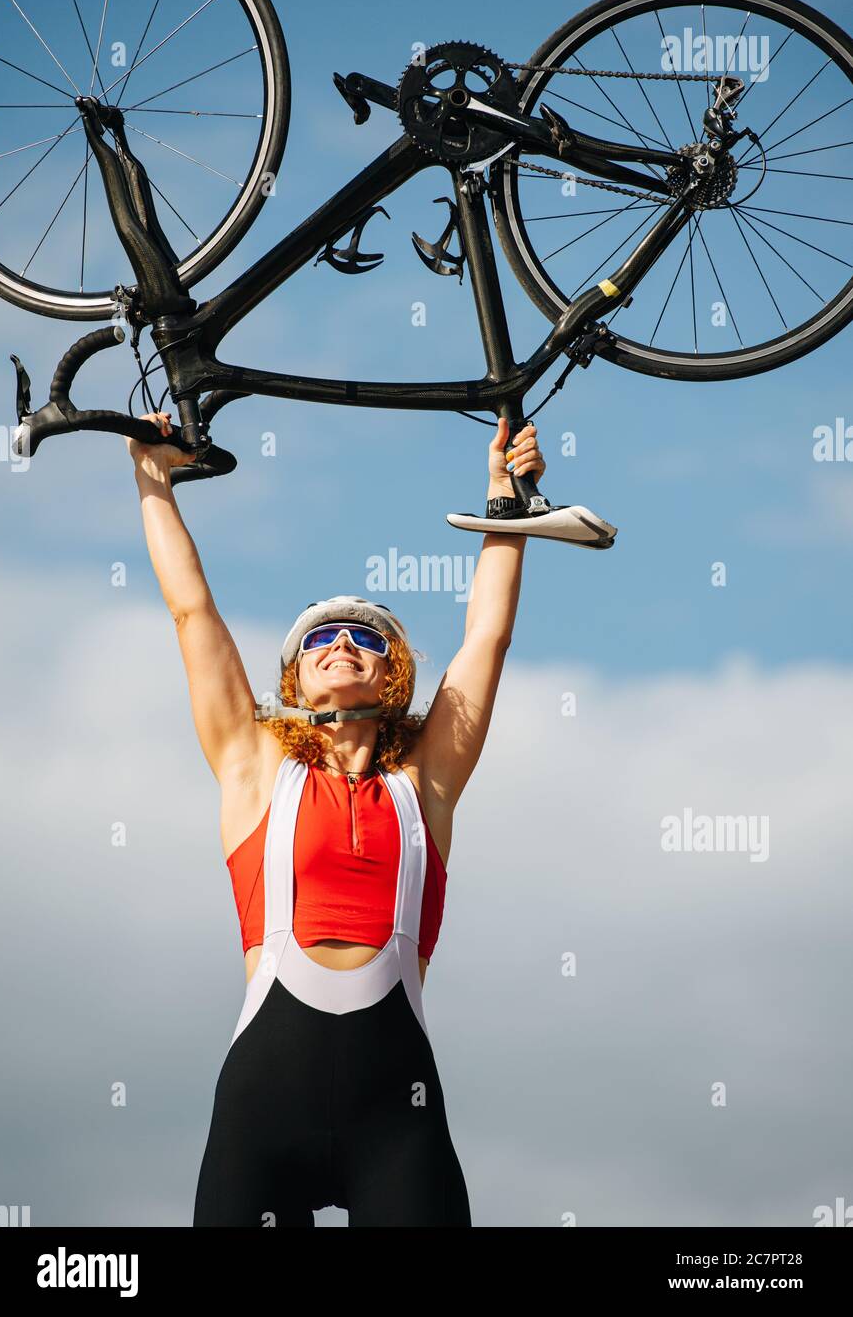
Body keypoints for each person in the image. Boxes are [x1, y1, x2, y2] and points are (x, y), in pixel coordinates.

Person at [125, 411, 546, 1227]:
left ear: (394, 677)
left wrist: (507, 501)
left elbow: (486, 638)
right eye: (320, 635)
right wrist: (153, 478)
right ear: (293, 677)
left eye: (366, 636)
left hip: (398, 1120)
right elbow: (192, 613)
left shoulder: (426, 783)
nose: (341, 642)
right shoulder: (254, 770)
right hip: (261, 1114)